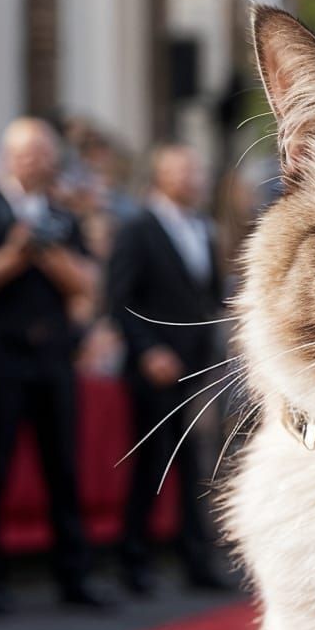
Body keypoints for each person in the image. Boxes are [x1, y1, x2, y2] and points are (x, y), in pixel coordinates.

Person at [0, 117, 107, 614]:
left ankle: (73, 576)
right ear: (7, 156)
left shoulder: (64, 215)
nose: (35, 159)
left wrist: (51, 255)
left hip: (55, 359)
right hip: (3, 357)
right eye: (25, 151)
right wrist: (16, 254)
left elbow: (88, 282)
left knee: (64, 470)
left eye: (43, 151)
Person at [106, 142, 228, 595]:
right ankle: (134, 562)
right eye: (180, 171)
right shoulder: (137, 228)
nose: (190, 179)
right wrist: (148, 350)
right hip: (152, 369)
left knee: (194, 465)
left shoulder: (205, 229)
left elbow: (210, 298)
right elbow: (118, 298)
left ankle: (197, 563)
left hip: (197, 368)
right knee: (151, 464)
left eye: (195, 170)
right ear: (159, 176)